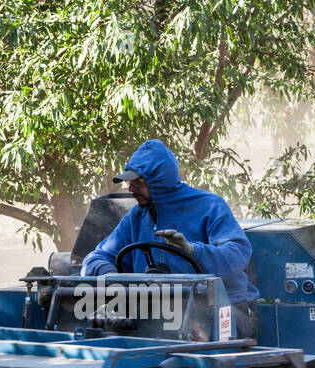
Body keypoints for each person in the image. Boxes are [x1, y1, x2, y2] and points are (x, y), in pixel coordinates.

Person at [80, 140, 260, 339]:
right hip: (160, 313)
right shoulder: (137, 217)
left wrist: (193, 251)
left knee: (190, 327)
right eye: (130, 182)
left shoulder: (210, 206)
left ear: (160, 182)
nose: (131, 189)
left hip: (225, 310)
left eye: (138, 182)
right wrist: (112, 277)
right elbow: (96, 257)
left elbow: (237, 253)